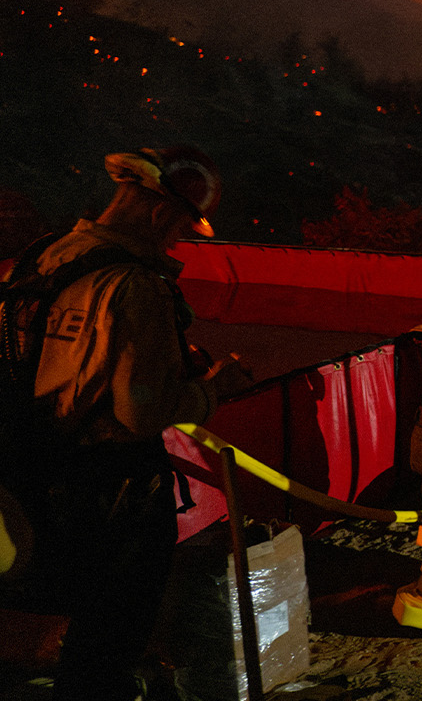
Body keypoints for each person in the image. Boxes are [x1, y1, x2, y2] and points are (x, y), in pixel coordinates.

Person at [1, 147, 251, 701]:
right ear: (162, 213)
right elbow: (140, 413)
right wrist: (213, 391)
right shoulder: (136, 284)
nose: (178, 241)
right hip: (112, 493)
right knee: (109, 633)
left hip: (36, 473)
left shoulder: (48, 256)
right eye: (183, 227)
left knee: (60, 612)